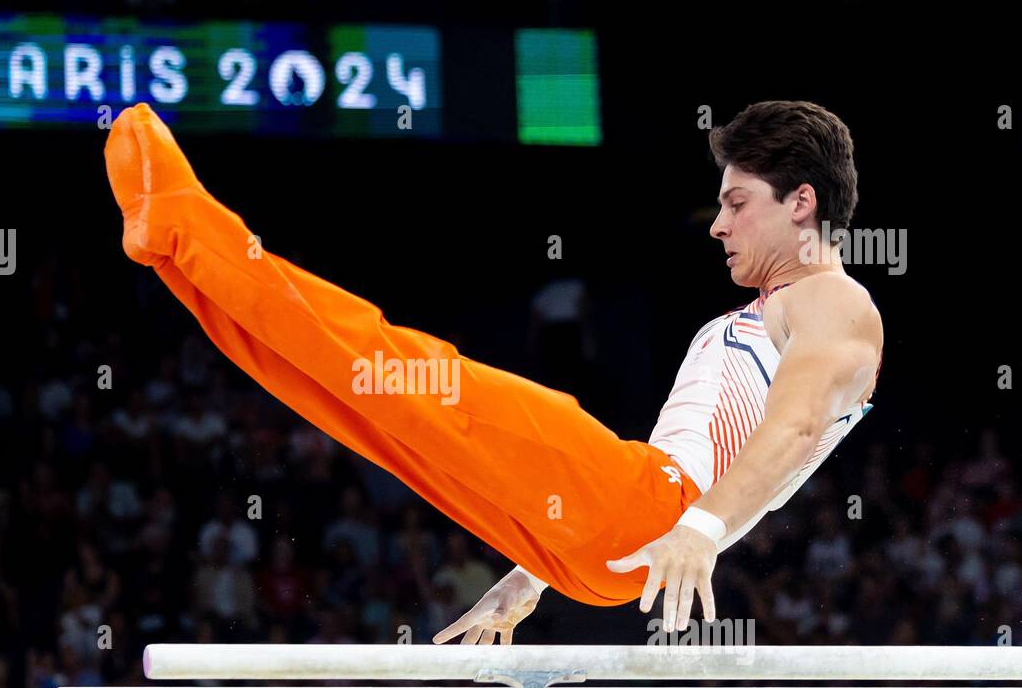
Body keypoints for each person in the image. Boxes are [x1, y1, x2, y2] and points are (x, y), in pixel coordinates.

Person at [103, 100, 883, 642]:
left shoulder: (834, 302)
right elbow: (718, 466)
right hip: (623, 531)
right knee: (368, 409)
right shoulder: (780, 310)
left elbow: (798, 425)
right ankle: (180, 255)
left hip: (652, 510)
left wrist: (700, 530)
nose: (718, 223)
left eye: (737, 202)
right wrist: (536, 569)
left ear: (803, 204)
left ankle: (185, 221)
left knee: (395, 366)